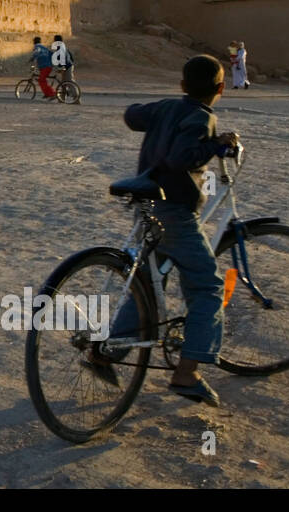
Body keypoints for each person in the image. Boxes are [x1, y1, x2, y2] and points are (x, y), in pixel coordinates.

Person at [87, 54, 239, 407]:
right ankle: (187, 372)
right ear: (220, 88)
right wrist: (217, 145)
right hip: (174, 211)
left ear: (183, 85)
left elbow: (132, 115)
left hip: (146, 208)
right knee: (208, 286)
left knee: (148, 285)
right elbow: (183, 157)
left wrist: (157, 110)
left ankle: (108, 350)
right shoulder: (202, 116)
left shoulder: (168, 107)